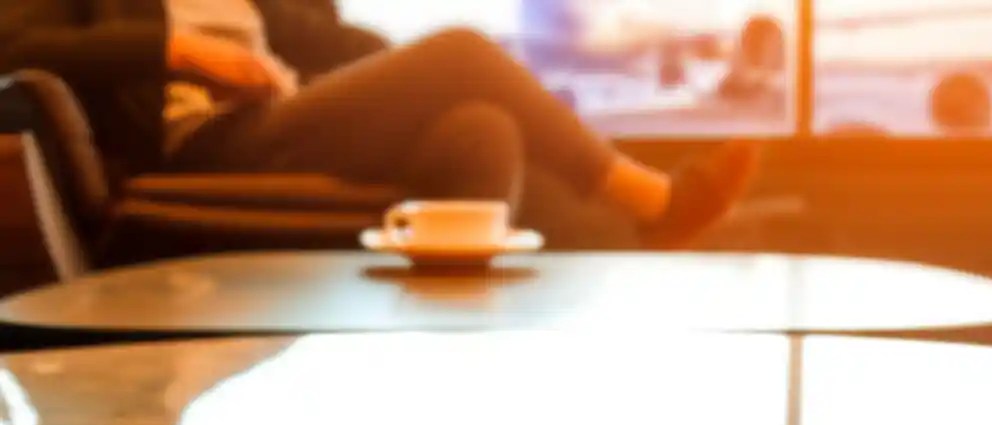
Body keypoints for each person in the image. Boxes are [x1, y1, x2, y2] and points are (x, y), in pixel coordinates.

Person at [0, 0, 760, 246]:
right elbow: (18, 43)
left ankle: (452, 362)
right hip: (190, 147)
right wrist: (177, 49)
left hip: (277, 119)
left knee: (480, 123)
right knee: (462, 52)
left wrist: (407, 77)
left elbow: (330, 39)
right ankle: (654, 204)